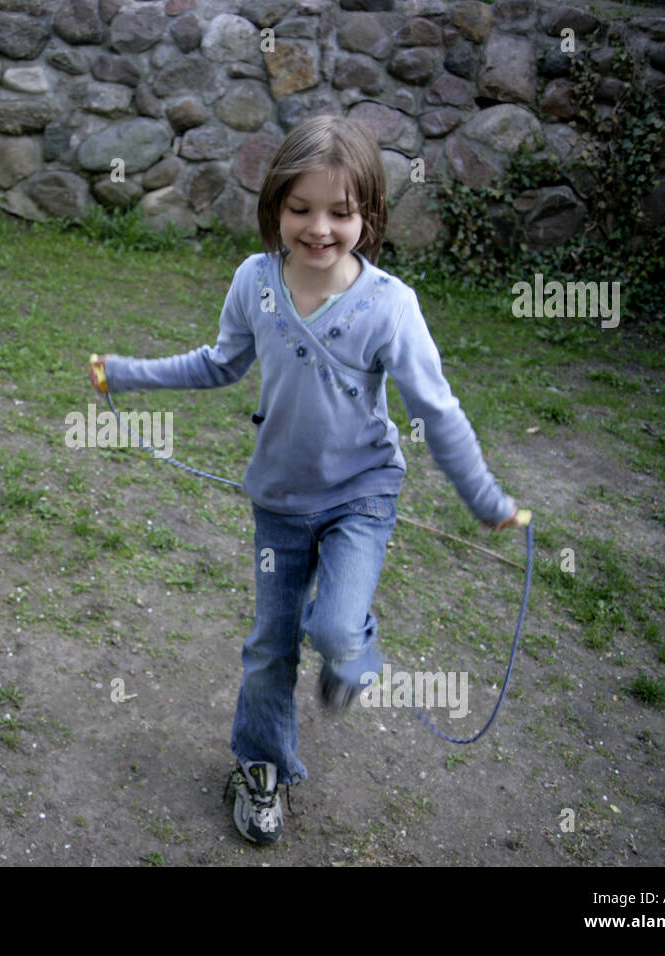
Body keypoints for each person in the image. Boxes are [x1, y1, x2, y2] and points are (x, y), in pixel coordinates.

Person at [87, 114, 520, 845]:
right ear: (274, 209)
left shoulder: (391, 306)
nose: (319, 228)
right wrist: (125, 374)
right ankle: (261, 767)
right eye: (300, 209)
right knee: (269, 646)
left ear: (370, 216)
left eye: (340, 212)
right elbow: (218, 363)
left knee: (335, 630)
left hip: (363, 495)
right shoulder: (255, 283)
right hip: (280, 506)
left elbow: (436, 410)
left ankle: (350, 641)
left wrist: (484, 498)